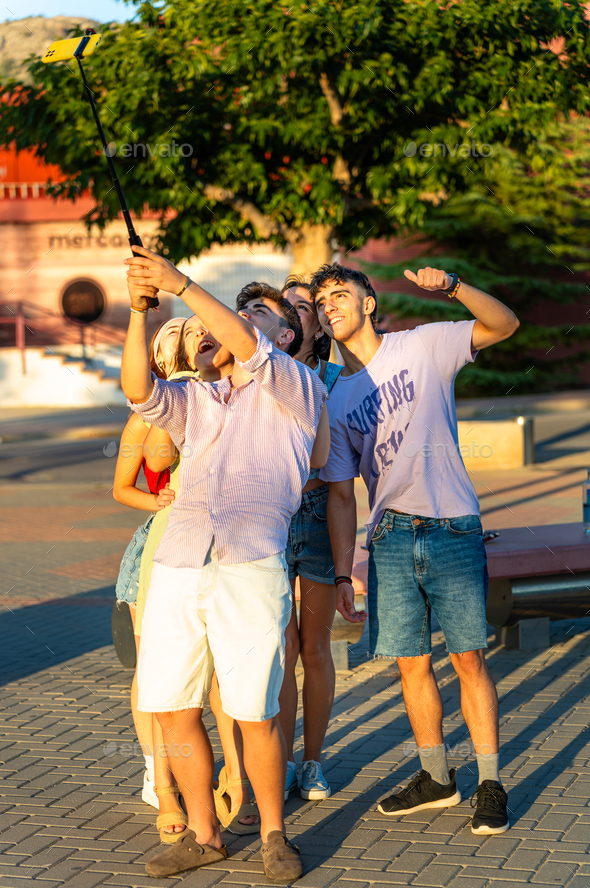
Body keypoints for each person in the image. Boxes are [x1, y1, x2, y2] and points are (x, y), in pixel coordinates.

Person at [121, 246, 327, 883]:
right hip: (180, 565)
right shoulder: (195, 396)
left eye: (257, 312)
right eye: (237, 310)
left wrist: (182, 282)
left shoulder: (296, 386)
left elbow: (245, 343)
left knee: (254, 712)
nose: (238, 319)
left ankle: (272, 835)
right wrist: (139, 311)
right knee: (174, 706)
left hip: (250, 566)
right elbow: (137, 390)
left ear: (286, 334)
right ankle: (205, 836)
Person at [312, 262, 519, 836]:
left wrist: (453, 286)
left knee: (468, 658)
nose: (330, 306)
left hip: (451, 526)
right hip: (389, 539)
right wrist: (339, 570)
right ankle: (437, 777)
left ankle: (490, 783)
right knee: (410, 664)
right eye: (321, 301)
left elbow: (504, 324)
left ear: (369, 302)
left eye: (340, 294)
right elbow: (340, 495)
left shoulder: (425, 345)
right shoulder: (336, 394)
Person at [141, 315, 260, 838]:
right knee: (160, 683)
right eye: (185, 336)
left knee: (229, 683)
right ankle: (165, 788)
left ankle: (237, 777)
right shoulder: (169, 400)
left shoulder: (242, 394)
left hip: (235, 551)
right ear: (171, 358)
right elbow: (148, 464)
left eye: (201, 330)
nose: (199, 337)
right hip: (170, 547)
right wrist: (175, 398)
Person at [249, 277, 341, 802]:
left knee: (316, 646)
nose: (302, 313)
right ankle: (278, 762)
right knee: (280, 648)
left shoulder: (333, 375)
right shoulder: (256, 373)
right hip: (273, 516)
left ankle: (313, 761)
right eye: (295, 305)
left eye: (308, 307)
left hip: (320, 513)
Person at [113, 317, 185, 834]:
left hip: (208, 546)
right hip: (153, 547)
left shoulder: (222, 399)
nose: (191, 341)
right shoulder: (144, 418)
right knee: (150, 668)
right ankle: (153, 766)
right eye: (179, 338)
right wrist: (157, 498)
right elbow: (123, 487)